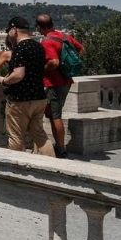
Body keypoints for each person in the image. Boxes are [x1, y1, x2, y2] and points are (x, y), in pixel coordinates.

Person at [0, 17, 55, 156]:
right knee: (40, 136)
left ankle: (16, 170)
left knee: (16, 137)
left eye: (8, 30)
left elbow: (18, 75)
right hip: (39, 97)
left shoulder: (19, 48)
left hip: (20, 99)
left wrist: (4, 81)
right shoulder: (39, 46)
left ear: (14, 30)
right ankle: (54, 165)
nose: (7, 34)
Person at [37, 14, 84, 158]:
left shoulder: (47, 41)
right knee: (51, 113)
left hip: (53, 83)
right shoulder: (64, 36)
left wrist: (41, 69)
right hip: (66, 81)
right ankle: (57, 145)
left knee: (55, 116)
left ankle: (61, 148)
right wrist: (68, 67)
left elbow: (54, 62)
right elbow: (82, 50)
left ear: (39, 27)